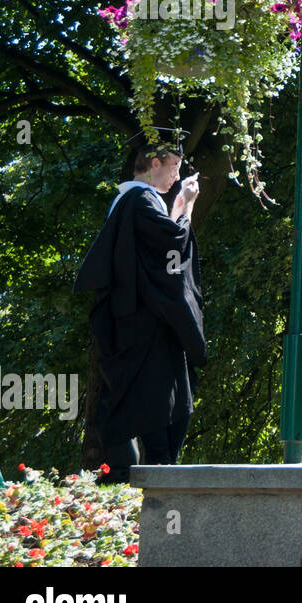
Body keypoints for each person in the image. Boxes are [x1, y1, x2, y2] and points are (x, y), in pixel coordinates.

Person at [74, 128, 206, 483]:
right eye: (174, 165)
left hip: (129, 324)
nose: (178, 175)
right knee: (160, 410)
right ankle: (151, 486)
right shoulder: (142, 201)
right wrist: (187, 206)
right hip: (148, 328)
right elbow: (173, 245)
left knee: (128, 405)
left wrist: (176, 207)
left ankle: (125, 480)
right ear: (153, 163)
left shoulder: (127, 202)